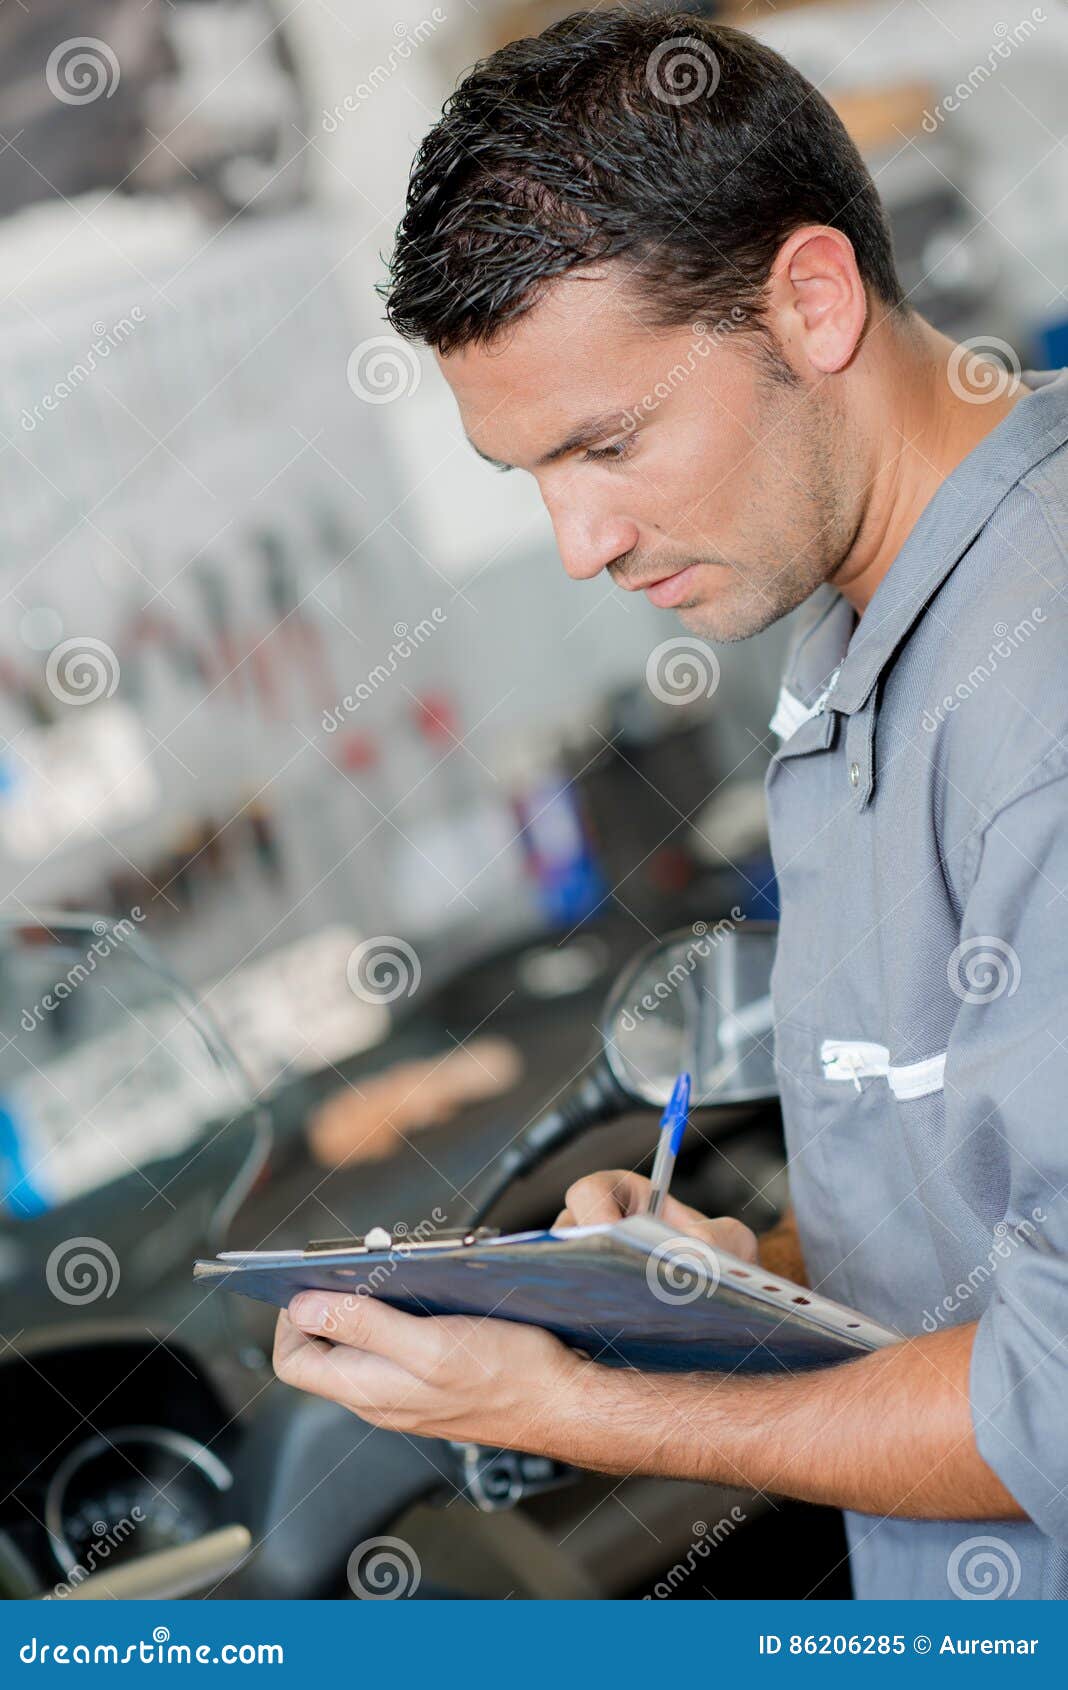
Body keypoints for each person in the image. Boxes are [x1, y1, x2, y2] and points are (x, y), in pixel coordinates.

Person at [274, 11, 1068, 1601]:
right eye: (534, 477)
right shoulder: (860, 635)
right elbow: (985, 1251)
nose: (584, 541)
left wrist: (590, 1405)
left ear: (814, 300)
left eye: (611, 442)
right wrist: (740, 1279)